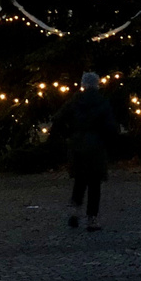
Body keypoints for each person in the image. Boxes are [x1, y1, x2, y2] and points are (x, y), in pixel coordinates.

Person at [52, 71, 118, 231]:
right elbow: (110, 127)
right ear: (97, 84)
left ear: (83, 84)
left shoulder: (75, 101)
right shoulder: (102, 102)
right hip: (96, 145)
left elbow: (58, 119)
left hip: (77, 144)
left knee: (79, 179)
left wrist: (68, 134)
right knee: (95, 183)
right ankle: (92, 219)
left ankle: (74, 213)